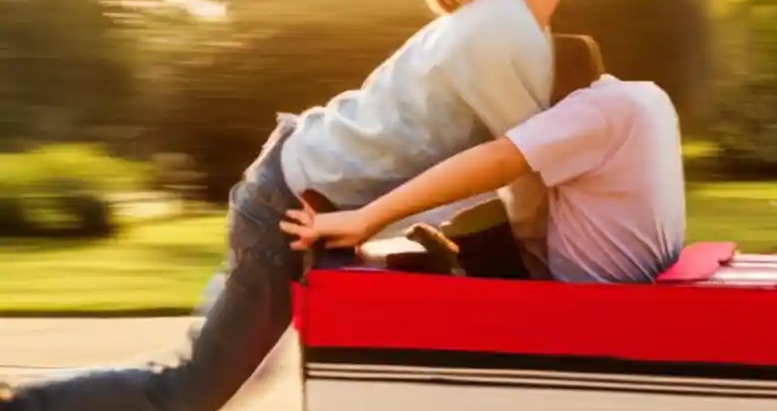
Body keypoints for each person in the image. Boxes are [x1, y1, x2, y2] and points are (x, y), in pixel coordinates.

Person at [0, 0, 601, 411]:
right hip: (289, 212)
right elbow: (527, 176)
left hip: (306, 201)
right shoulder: (499, 29)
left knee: (256, 374)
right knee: (190, 390)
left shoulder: (511, 22)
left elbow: (524, 175)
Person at [279, 36, 685, 285]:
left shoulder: (596, 112)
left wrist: (368, 217)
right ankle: (385, 239)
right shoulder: (644, 97)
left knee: (485, 193)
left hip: (571, 291)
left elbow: (497, 160)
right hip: (598, 267)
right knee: (484, 203)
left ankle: (359, 235)